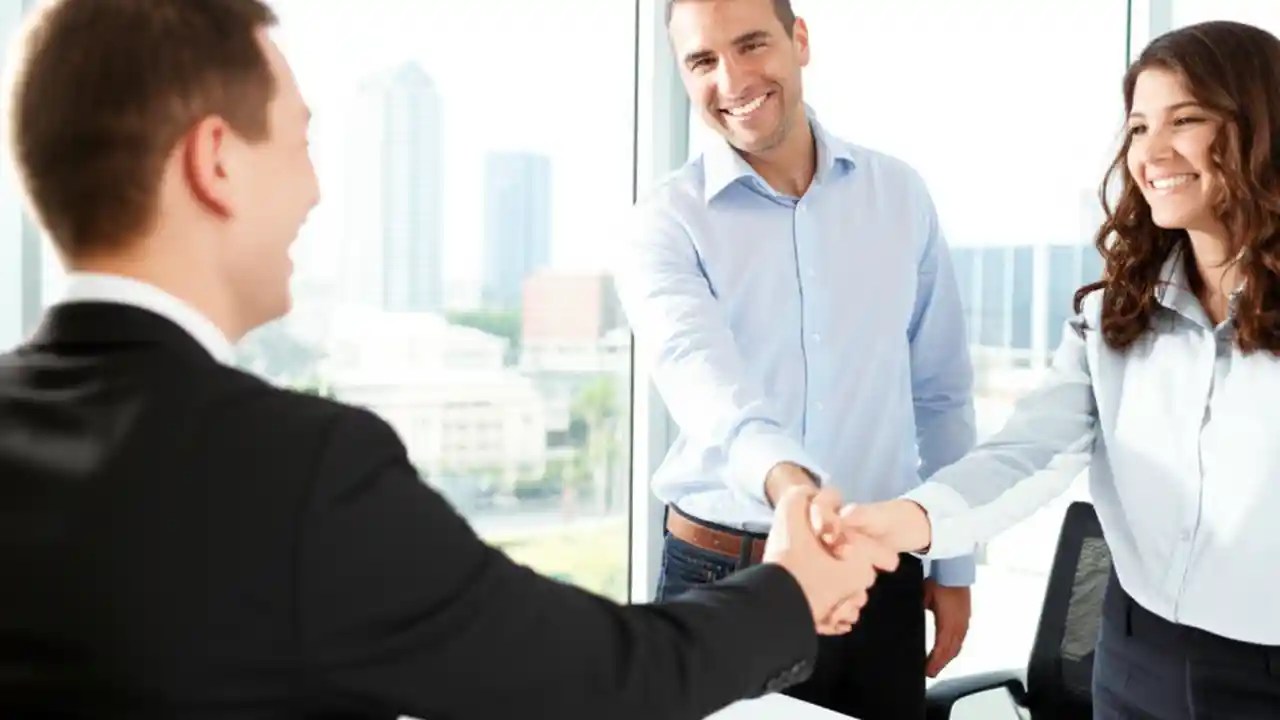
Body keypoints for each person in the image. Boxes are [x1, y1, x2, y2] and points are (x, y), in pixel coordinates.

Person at [0, 1, 903, 718]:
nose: (315, 190)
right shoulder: (301, 473)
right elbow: (600, 681)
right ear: (216, 163)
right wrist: (790, 592)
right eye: (300, 140)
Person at [841, 20, 1280, 720]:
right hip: (1137, 660)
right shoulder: (1116, 316)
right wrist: (895, 523)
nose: (1152, 152)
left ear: (1261, 126)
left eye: (1187, 120)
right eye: (1137, 128)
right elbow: (1026, 457)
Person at [612, 0, 978, 717]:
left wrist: (953, 560)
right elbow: (705, 384)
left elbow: (940, 393)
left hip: (883, 572)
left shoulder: (898, 195)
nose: (732, 78)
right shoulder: (664, 221)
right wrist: (792, 491)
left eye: (752, 45)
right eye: (702, 61)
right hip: (726, 577)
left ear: (799, 40)